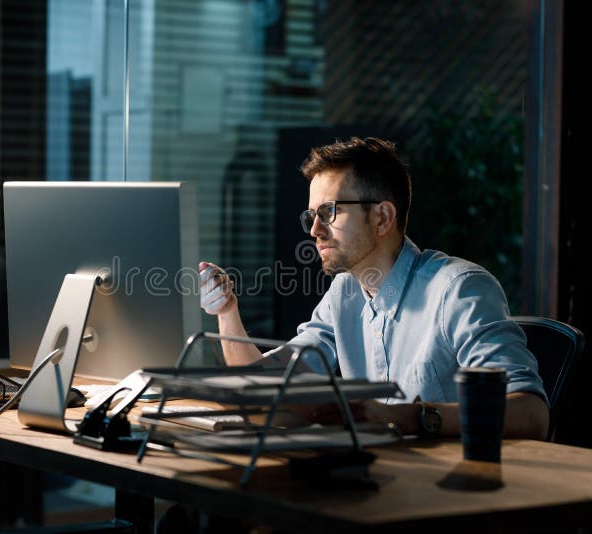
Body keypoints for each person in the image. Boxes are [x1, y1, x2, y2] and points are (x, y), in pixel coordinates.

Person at [199, 136, 549, 440]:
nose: (314, 230)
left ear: (382, 217)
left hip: (452, 498)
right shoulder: (345, 292)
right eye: (311, 216)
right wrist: (227, 312)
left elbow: (532, 414)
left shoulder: (459, 290)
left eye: (329, 212)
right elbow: (266, 386)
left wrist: (409, 418)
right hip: (377, 487)